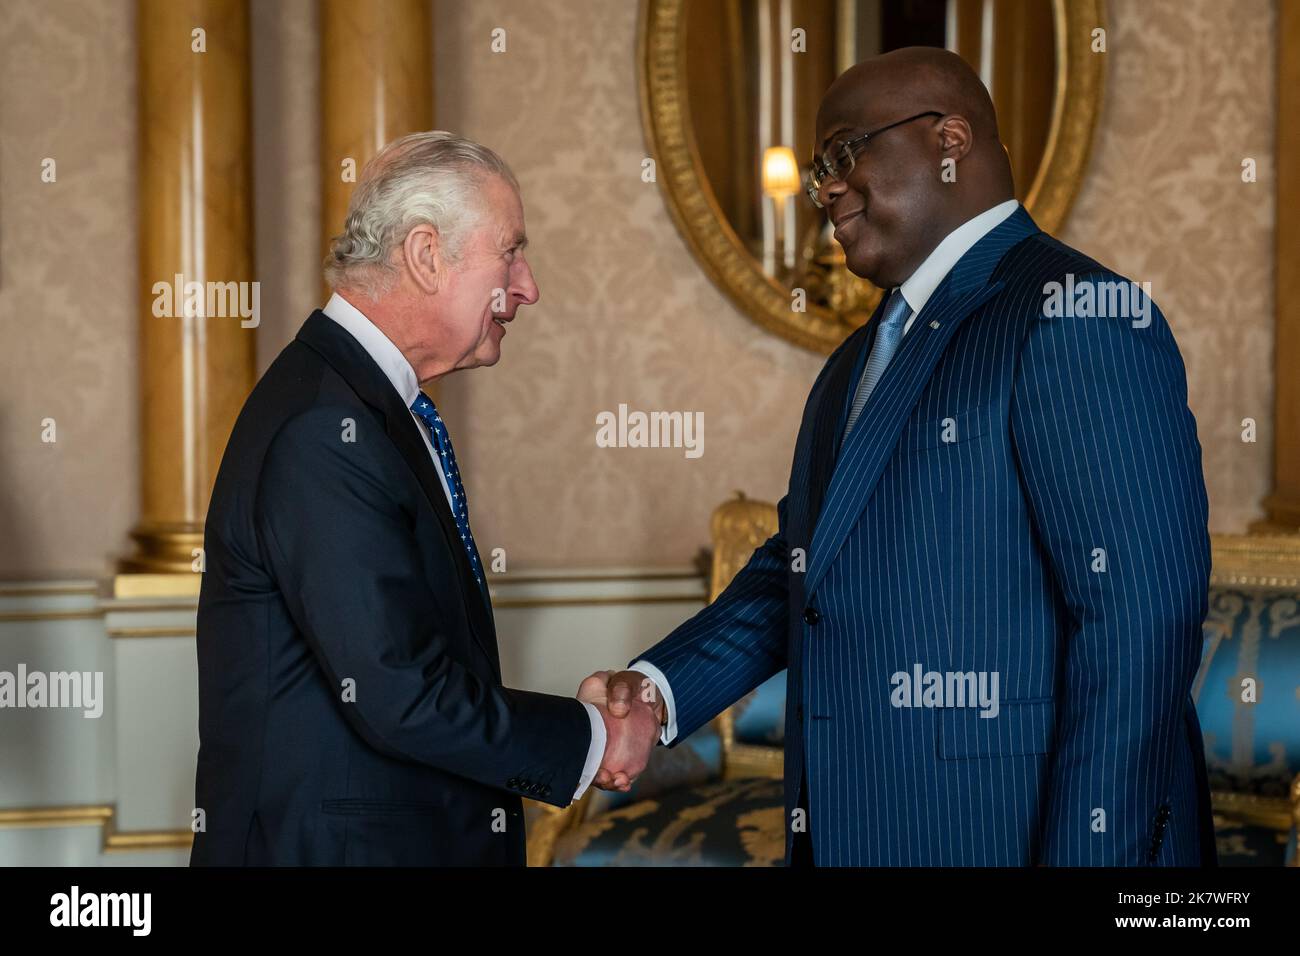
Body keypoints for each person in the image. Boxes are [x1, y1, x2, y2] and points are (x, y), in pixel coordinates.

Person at [592, 47, 1217, 867]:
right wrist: (659, 691)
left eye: (845, 153)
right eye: (819, 169)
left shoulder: (1079, 316)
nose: (825, 189)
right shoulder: (855, 362)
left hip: (1005, 835)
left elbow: (1141, 624)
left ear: (949, 139)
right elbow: (804, 572)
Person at [191, 131, 659, 866]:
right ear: (424, 255)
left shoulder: (363, 403)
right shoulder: (325, 426)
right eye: (510, 252)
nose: (528, 286)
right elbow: (401, 692)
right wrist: (593, 735)